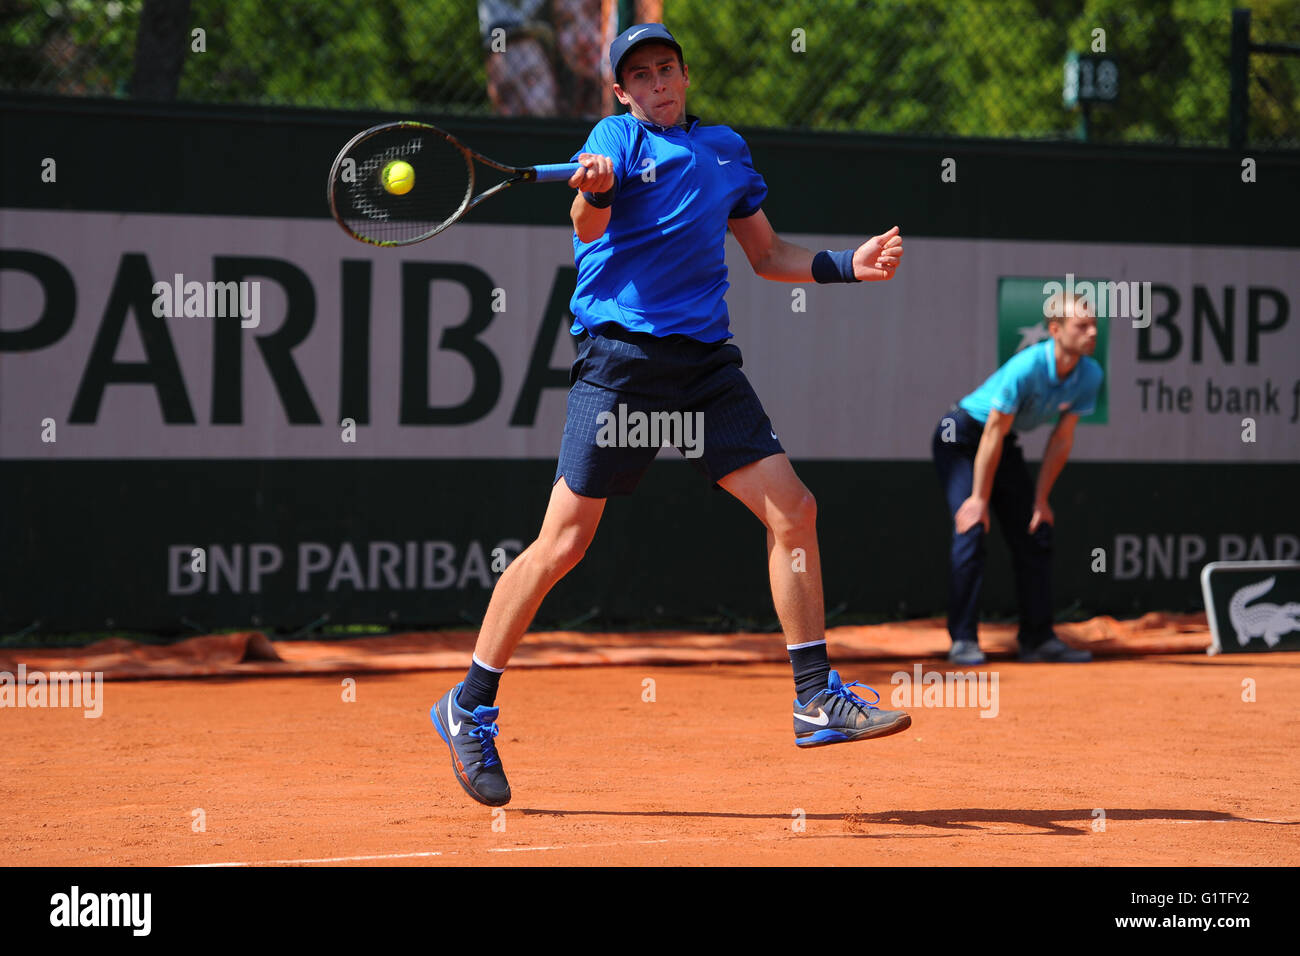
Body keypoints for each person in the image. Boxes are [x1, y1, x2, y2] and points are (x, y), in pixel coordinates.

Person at [432, 23, 909, 807]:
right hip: (621, 361)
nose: (657, 84)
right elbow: (586, 228)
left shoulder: (725, 150)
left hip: (706, 368)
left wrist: (845, 268)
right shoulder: (612, 137)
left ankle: (814, 694)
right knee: (564, 543)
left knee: (794, 509)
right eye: (640, 76)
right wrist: (597, 187)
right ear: (621, 90)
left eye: (667, 70)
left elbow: (765, 256)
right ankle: (470, 705)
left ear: (684, 76)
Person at [931, 292, 1102, 666]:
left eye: (1094, 326)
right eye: (1082, 326)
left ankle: (1037, 639)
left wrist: (1041, 500)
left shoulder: (1091, 374)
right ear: (1055, 330)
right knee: (972, 527)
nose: (1092, 333)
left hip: (1000, 442)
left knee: (1035, 528)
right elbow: (991, 431)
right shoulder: (1026, 367)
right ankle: (963, 640)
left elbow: (1061, 440)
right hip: (960, 436)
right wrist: (978, 498)